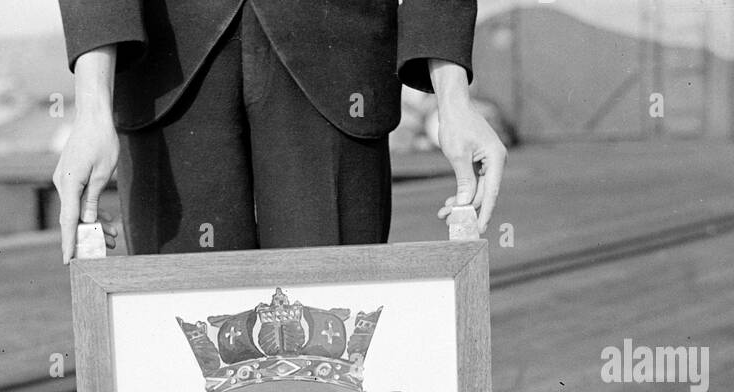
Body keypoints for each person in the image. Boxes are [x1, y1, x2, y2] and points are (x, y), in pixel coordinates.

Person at [54, 0, 505, 262]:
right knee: (182, 343)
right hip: (166, 72)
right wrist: (92, 108)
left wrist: (453, 97)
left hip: (338, 63)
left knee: (332, 337)